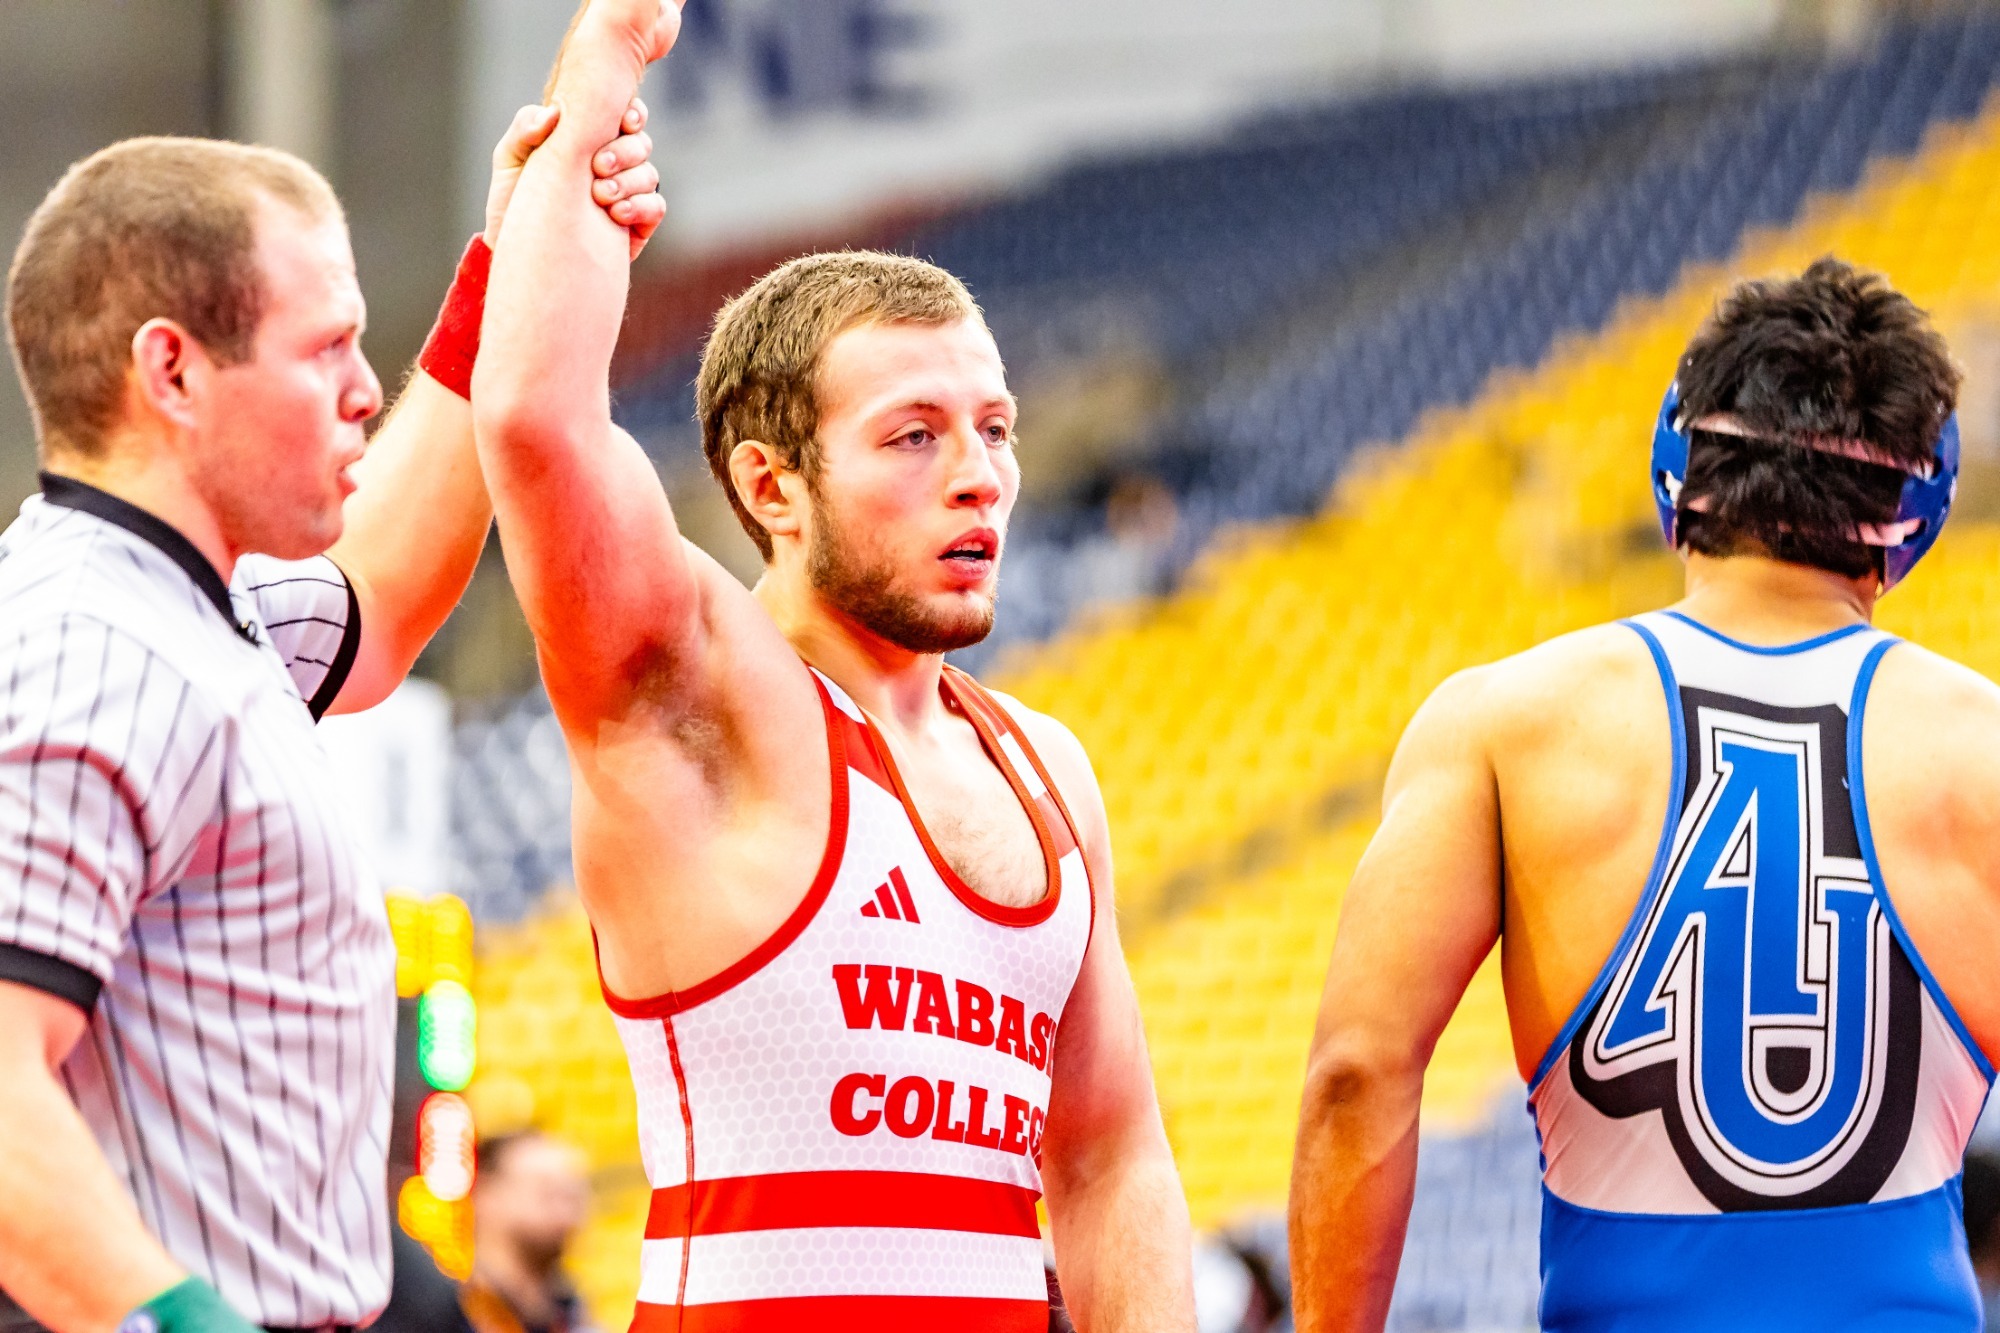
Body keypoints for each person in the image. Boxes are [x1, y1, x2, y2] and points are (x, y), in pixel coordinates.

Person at [470, 2, 1197, 1328]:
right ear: (773, 486)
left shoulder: (1044, 771)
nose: (981, 478)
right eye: (914, 436)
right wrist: (607, 60)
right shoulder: (696, 695)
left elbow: (1108, 1161)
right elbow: (533, 425)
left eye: (994, 428)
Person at [0, 97, 662, 1330]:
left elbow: (383, 587)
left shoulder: (196, 609)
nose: (364, 388)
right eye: (326, 350)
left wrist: (517, 263)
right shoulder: (89, 649)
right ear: (172, 371)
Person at [1288, 256, 1998, 1331]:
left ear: (1677, 465)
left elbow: (1357, 1071)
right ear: (1917, 505)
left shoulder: (1506, 722)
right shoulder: (1982, 747)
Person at [458, 1133, 598, 1333]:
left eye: (572, 1194)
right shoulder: (445, 1313)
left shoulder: (574, 1318)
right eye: (547, 1190)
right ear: (486, 1195)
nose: (565, 1210)